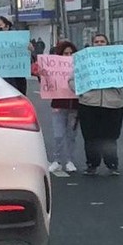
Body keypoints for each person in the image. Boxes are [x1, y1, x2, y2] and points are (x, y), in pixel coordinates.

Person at [73, 33, 123, 176]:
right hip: (89, 103)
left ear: (107, 44)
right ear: (92, 44)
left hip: (113, 104)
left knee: (110, 136)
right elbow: (72, 79)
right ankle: (92, 164)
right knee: (90, 137)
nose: (99, 44)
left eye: (102, 41)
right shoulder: (84, 60)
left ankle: (112, 164)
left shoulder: (117, 60)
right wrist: (80, 90)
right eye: (96, 41)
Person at [38, 40, 79, 175]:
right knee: (58, 134)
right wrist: (43, 74)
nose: (68, 56)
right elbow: (48, 84)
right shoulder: (54, 67)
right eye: (65, 53)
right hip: (58, 105)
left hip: (75, 106)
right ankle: (57, 160)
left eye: (71, 53)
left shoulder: (79, 67)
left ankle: (69, 160)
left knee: (71, 134)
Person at [0, 15, 29, 94]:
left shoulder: (18, 40)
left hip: (15, 81)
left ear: (7, 26)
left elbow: (27, 60)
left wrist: (28, 50)